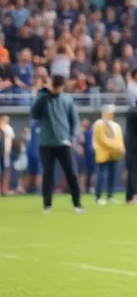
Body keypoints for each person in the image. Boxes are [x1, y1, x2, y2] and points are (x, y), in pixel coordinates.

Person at [30, 74, 84, 213]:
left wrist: (72, 138)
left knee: (71, 173)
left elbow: (75, 121)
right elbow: (34, 114)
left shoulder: (67, 99)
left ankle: (77, 204)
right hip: (46, 142)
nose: (57, 89)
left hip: (64, 142)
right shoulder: (43, 99)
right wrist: (42, 95)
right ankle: (47, 205)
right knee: (47, 174)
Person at [92, 105, 124, 205]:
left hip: (114, 154)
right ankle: (98, 197)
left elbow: (119, 138)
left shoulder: (115, 125)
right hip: (103, 153)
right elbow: (102, 140)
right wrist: (115, 147)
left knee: (112, 175)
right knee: (101, 175)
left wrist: (121, 147)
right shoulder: (99, 124)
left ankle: (110, 195)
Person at [78, 118, 96, 198]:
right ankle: (84, 188)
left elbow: (83, 141)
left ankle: (88, 188)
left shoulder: (88, 132)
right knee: (84, 172)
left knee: (89, 172)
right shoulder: (84, 132)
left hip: (89, 154)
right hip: (86, 154)